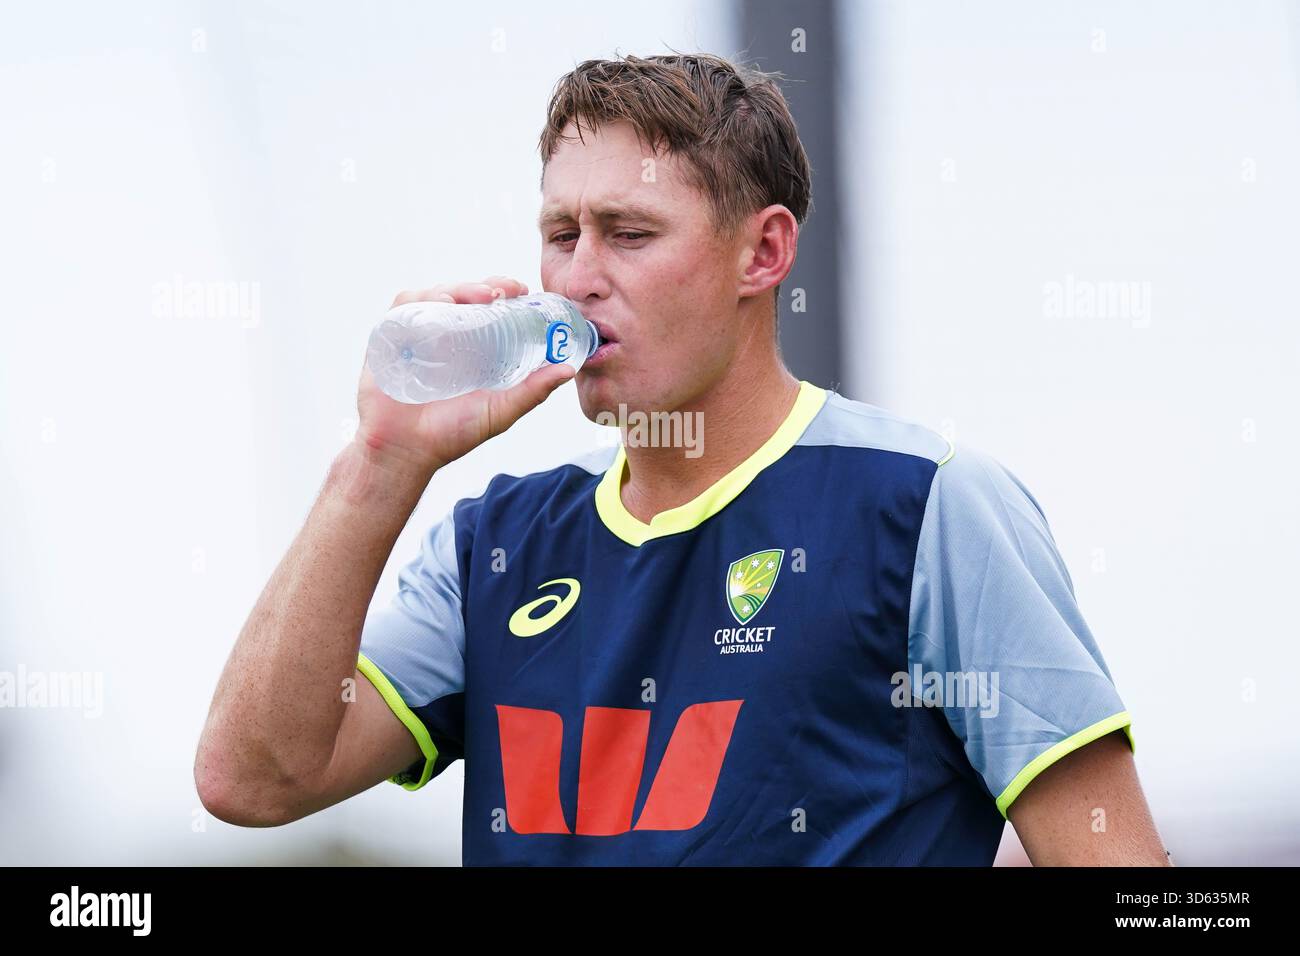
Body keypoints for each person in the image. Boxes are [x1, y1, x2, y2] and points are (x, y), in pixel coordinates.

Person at [195, 52, 1169, 865]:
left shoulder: (923, 505)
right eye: (559, 234)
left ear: (764, 253)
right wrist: (377, 464)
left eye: (628, 234)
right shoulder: (491, 543)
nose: (578, 279)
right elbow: (251, 777)